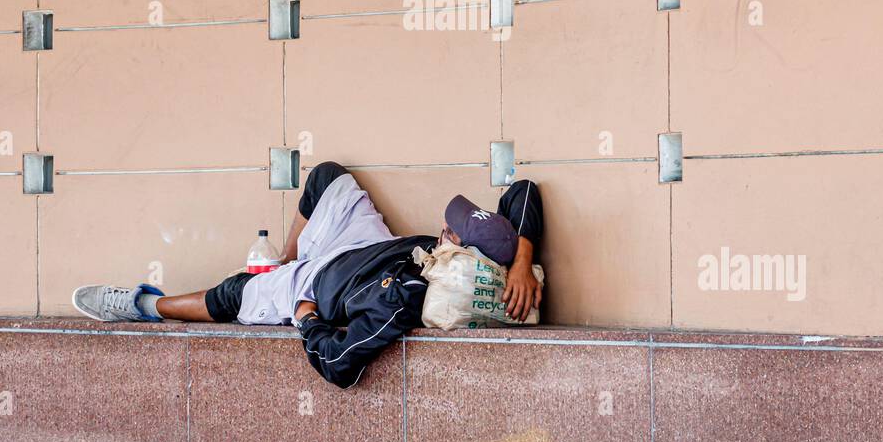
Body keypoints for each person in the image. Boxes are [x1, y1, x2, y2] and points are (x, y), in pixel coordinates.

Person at [72, 161, 545, 388]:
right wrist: (522, 264)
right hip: (364, 245)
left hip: (313, 287)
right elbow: (523, 190)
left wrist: (306, 320)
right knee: (327, 177)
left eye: (454, 232)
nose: (445, 228)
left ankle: (143, 305)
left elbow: (342, 365)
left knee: (235, 293)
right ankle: (284, 256)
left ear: (465, 256)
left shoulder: (406, 295)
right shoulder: (496, 267)